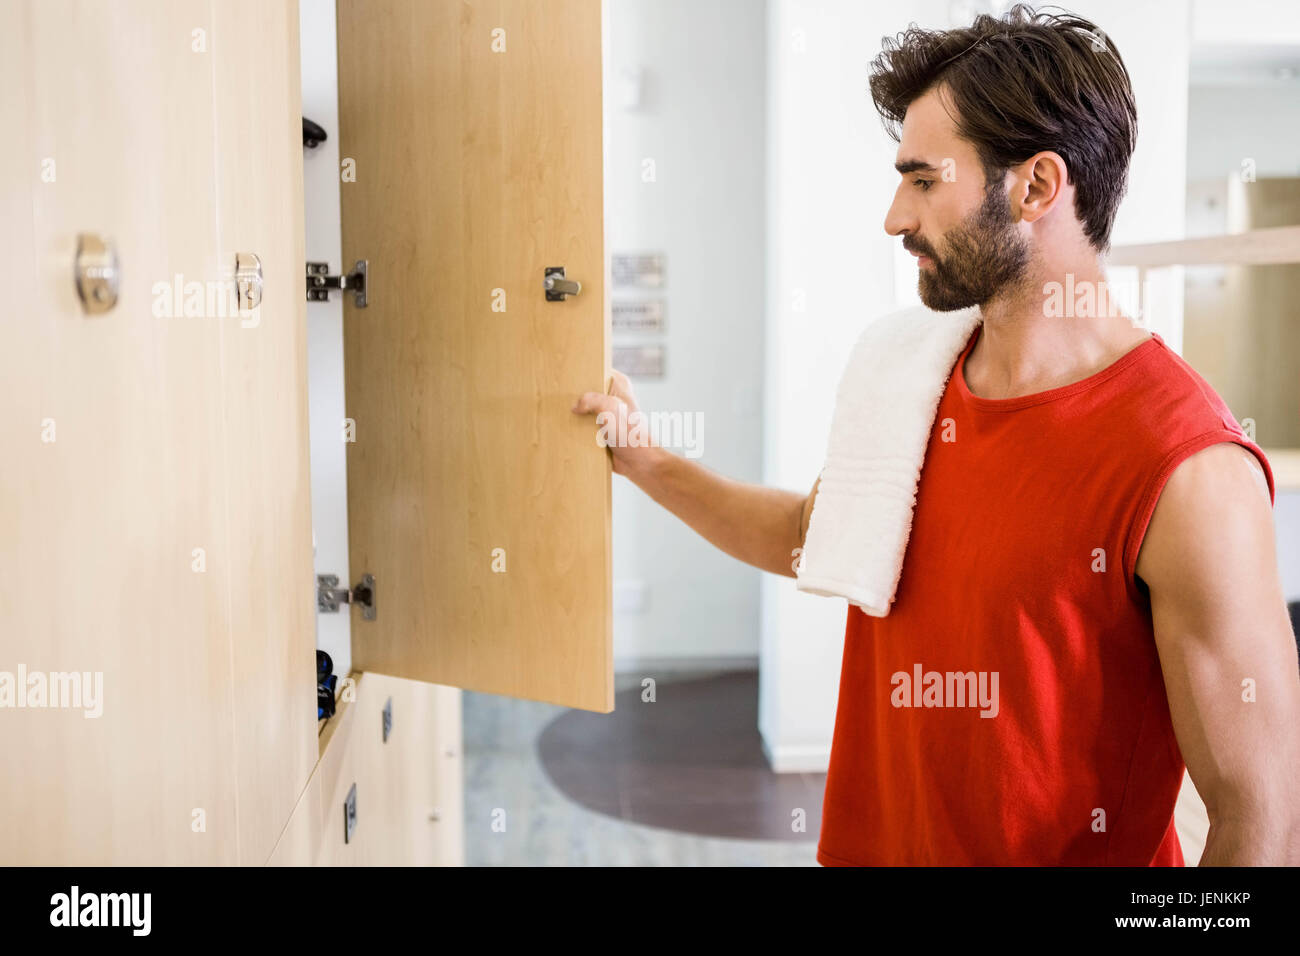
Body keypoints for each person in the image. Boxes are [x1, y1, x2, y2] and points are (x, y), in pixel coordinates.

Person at [572, 4, 1300, 865]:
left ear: (1034, 187)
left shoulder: (1187, 465)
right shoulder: (913, 371)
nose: (893, 216)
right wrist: (644, 460)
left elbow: (1262, 821)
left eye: (923, 181)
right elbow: (816, 536)